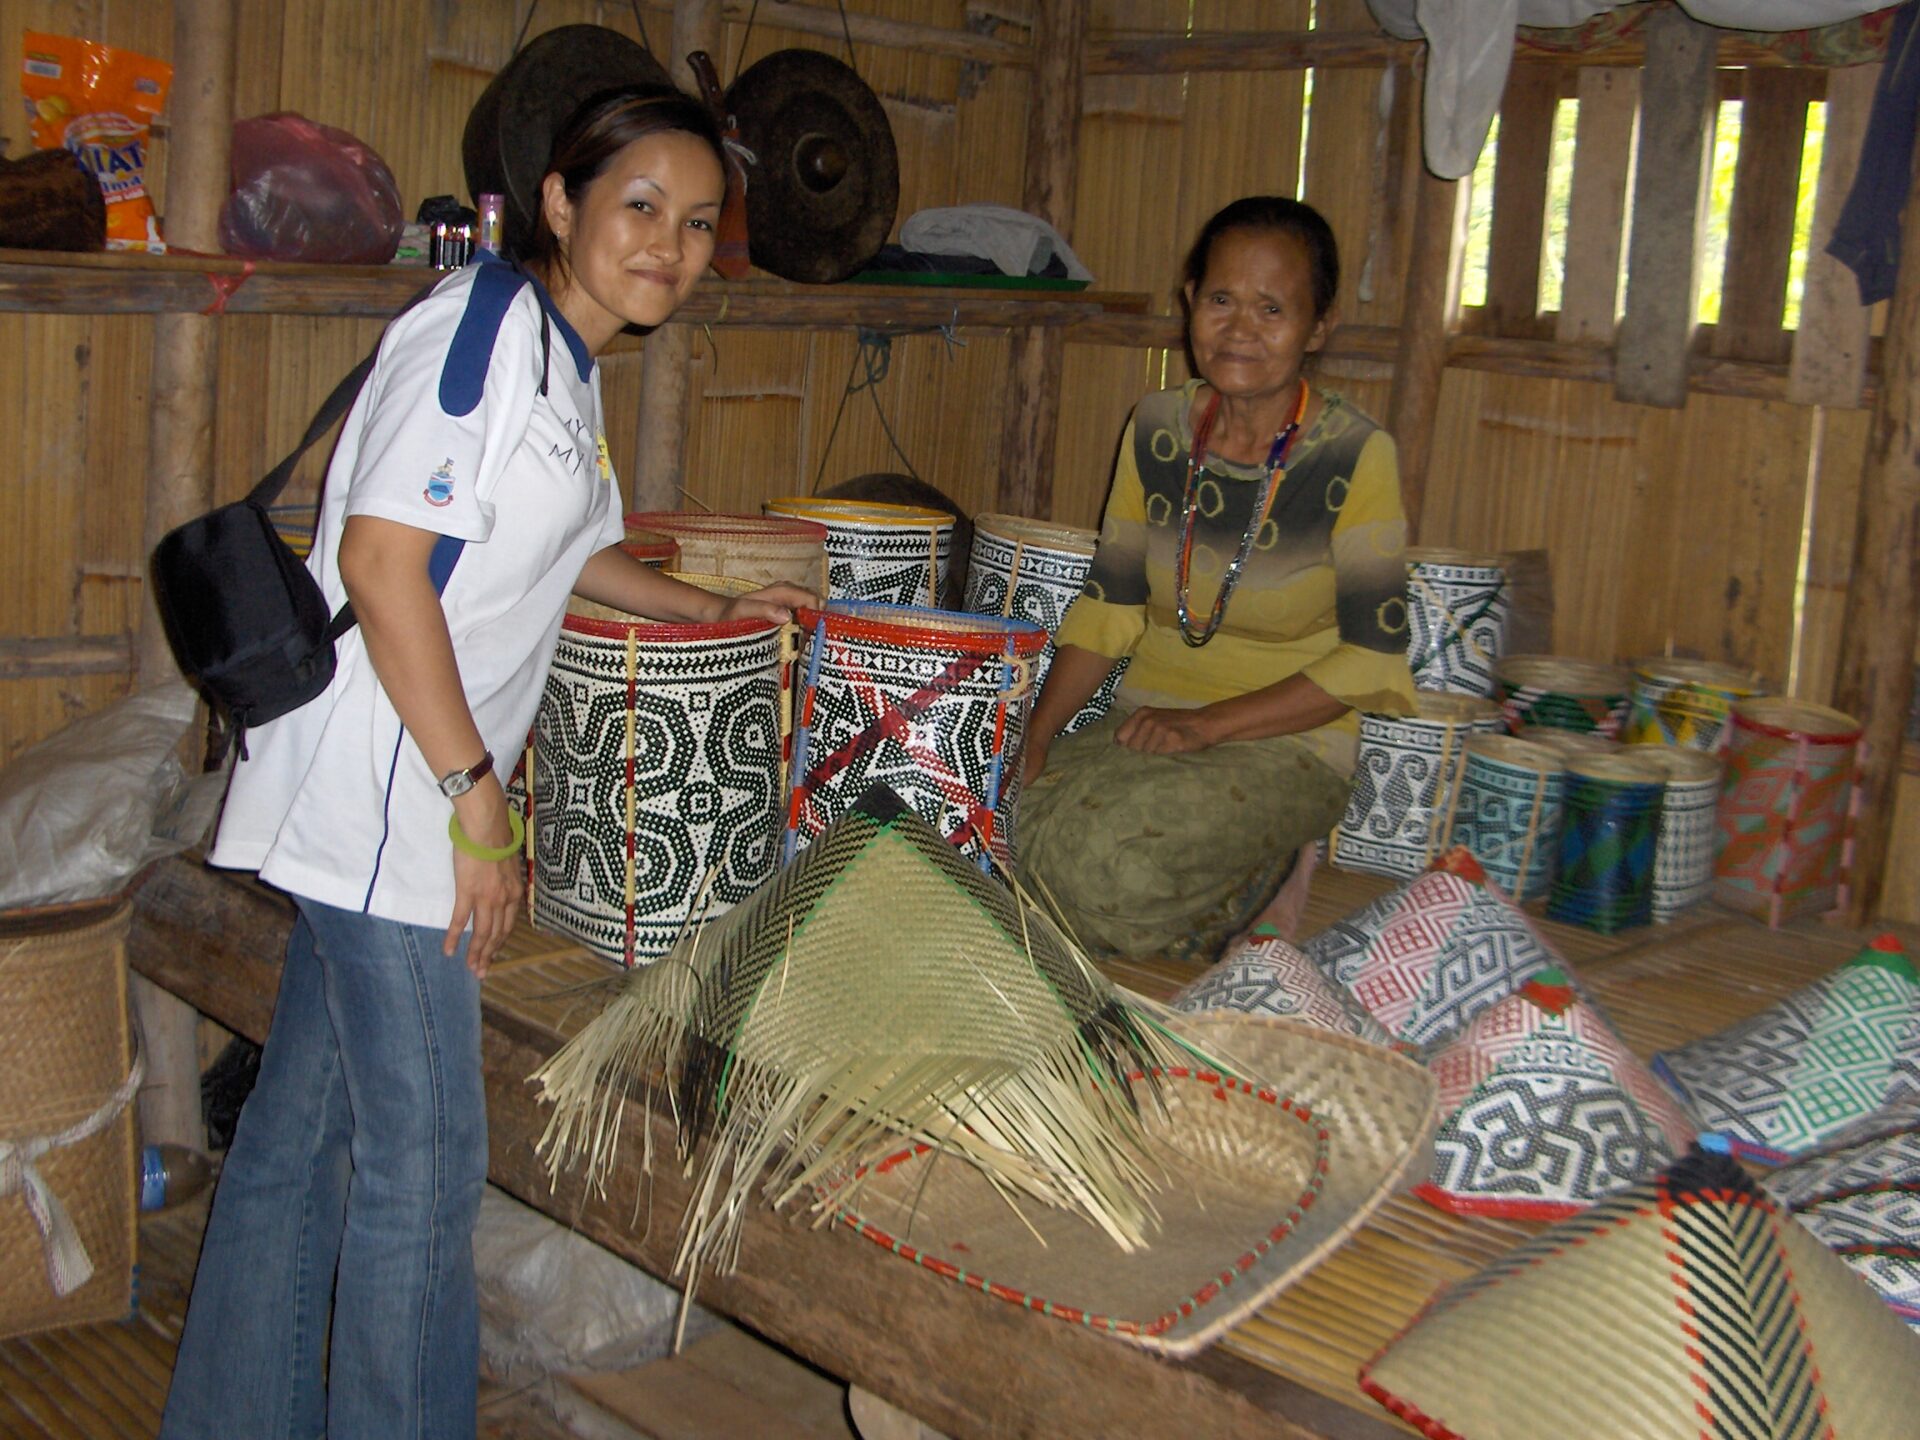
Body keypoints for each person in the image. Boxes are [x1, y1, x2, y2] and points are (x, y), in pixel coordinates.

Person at [160, 88, 811, 1440]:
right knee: (427, 1169)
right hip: (396, 797)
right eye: (641, 207)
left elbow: (568, 549)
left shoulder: (563, 363)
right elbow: (382, 562)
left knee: (299, 1140)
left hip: (390, 790)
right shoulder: (483, 334)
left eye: (697, 224)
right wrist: (480, 803)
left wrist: (700, 609)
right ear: (561, 204)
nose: (671, 248)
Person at [1018, 196, 1415, 963]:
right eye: (1223, 299)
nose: (1240, 328)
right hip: (1144, 725)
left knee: (1108, 868)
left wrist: (1205, 726)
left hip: (1291, 744)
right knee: (991, 827)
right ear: (1189, 302)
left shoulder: (1355, 455)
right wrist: (1036, 735)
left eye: (1273, 308)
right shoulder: (1158, 428)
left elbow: (1372, 661)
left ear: (1318, 326)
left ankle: (1267, 875)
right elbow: (1110, 606)